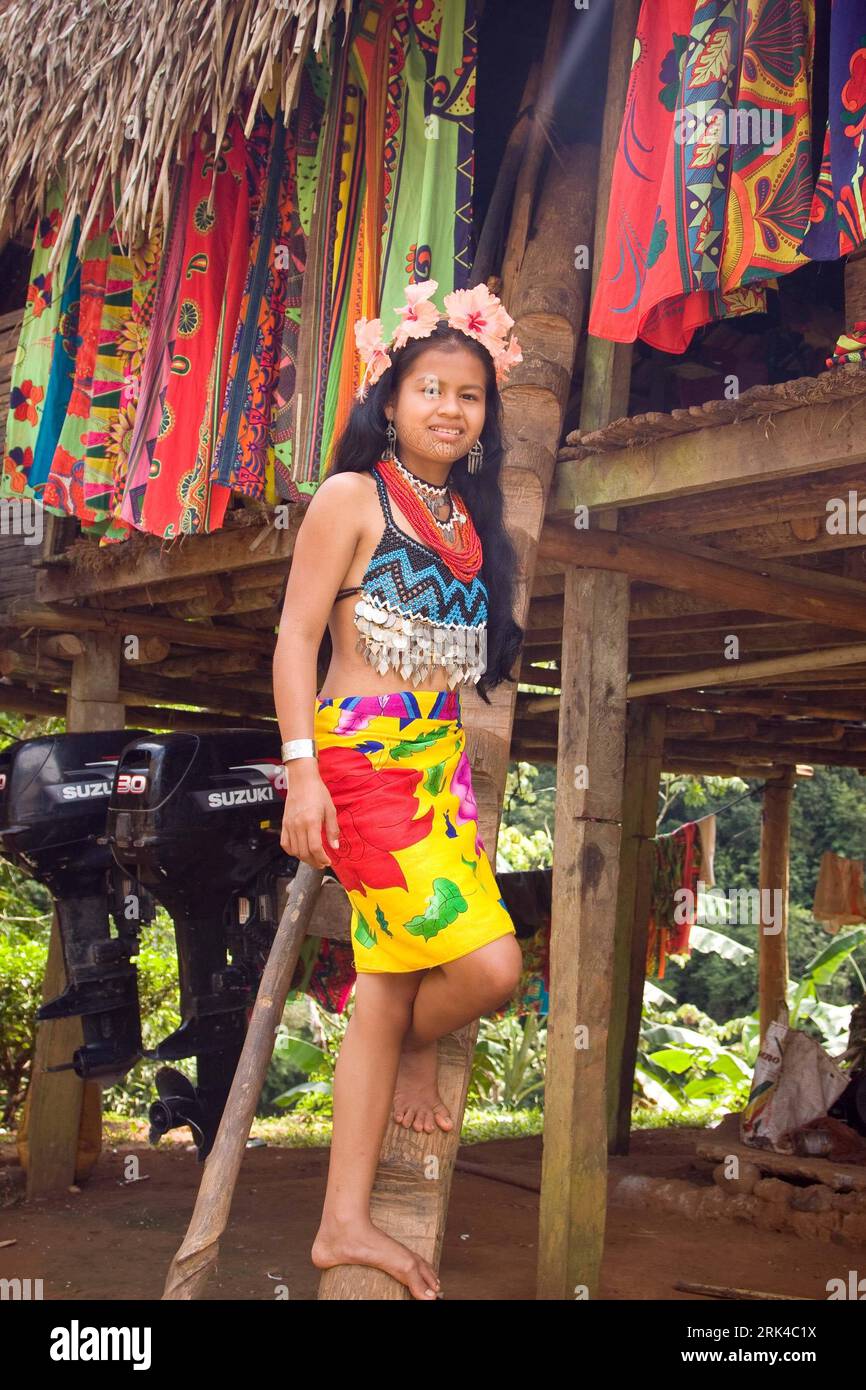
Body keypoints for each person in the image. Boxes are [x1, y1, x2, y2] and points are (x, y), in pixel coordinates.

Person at [272, 279, 526, 1300]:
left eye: (468, 395)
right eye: (429, 389)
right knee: (492, 966)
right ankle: (358, 1176)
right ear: (390, 397)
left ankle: (340, 1220)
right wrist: (300, 772)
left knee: (389, 984)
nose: (448, 409)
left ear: (485, 414)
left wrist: (450, 771)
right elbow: (294, 637)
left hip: (435, 766)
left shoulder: (470, 520)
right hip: (359, 761)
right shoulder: (350, 498)